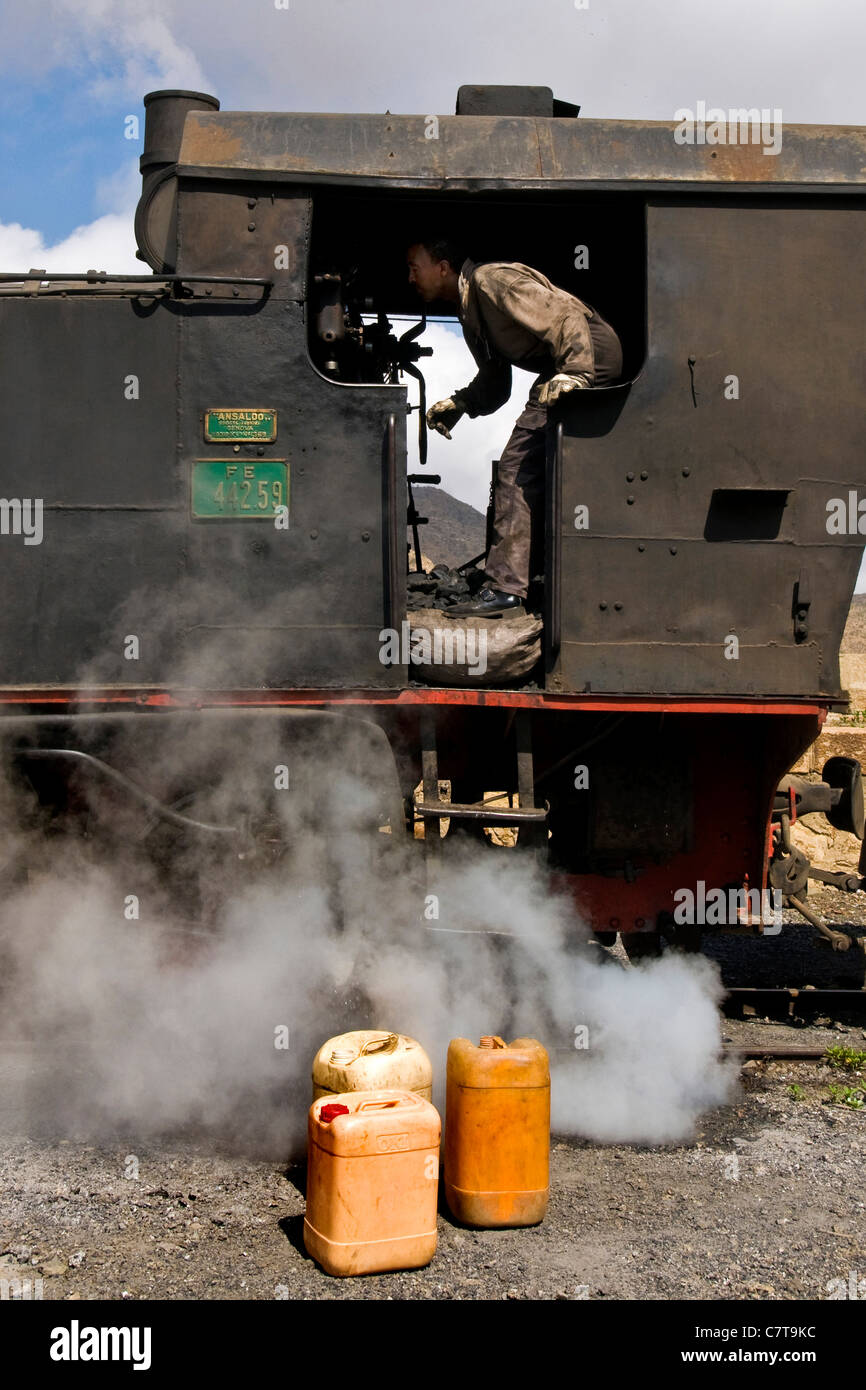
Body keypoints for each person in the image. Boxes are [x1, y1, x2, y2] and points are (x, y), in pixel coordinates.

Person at [407, 239, 622, 617]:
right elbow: (496, 383)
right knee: (527, 461)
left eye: (414, 267)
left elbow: (565, 314)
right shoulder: (470, 310)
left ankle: (506, 590)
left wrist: (576, 373)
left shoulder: (492, 281)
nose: (409, 278)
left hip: (590, 353)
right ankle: (524, 578)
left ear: (442, 268)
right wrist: (462, 403)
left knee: (517, 467)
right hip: (568, 362)